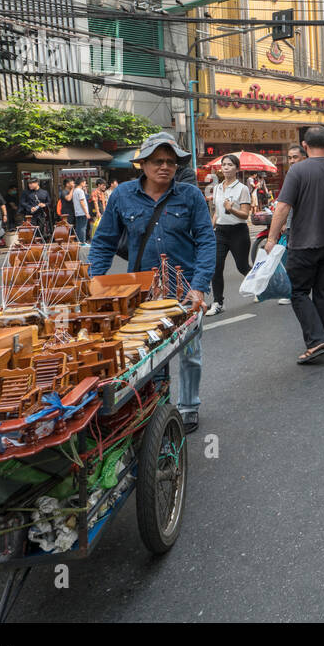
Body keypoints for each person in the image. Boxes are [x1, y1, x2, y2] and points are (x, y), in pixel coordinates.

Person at [88, 133, 214, 432]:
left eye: (171, 162)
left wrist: (199, 286)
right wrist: (93, 282)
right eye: (158, 161)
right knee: (148, 354)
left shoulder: (190, 195)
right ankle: (158, 408)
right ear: (142, 164)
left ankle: (188, 406)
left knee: (190, 353)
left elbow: (207, 241)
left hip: (185, 288)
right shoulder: (122, 196)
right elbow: (104, 242)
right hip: (142, 291)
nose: (165, 167)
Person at [264, 127, 324, 364]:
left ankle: (316, 340)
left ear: (305, 146)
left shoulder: (297, 171)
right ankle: (322, 339)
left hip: (303, 244)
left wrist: (271, 238)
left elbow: (283, 207)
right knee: (323, 293)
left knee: (297, 292)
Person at [206, 153, 252, 317]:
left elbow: (245, 215)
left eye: (230, 165)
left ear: (237, 169)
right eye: (224, 164)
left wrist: (232, 209)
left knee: (242, 266)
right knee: (216, 267)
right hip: (221, 232)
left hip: (238, 231)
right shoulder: (217, 188)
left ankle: (257, 286)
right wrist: (210, 230)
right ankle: (218, 302)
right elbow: (217, 213)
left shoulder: (243, 189)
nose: (226, 167)